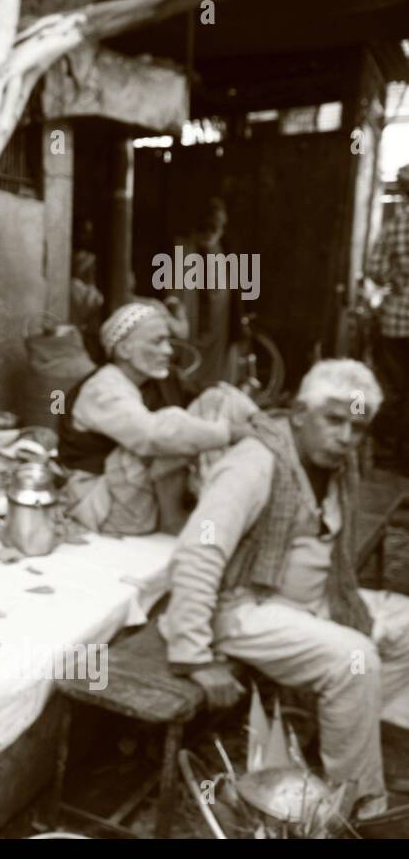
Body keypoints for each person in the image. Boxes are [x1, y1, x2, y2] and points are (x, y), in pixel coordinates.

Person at [161, 359, 409, 818]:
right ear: (298, 413)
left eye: (357, 427)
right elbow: (199, 551)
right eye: (333, 420)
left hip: (307, 605)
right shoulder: (254, 463)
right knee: (354, 661)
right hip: (241, 607)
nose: (345, 438)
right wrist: (194, 655)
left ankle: (339, 739)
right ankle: (358, 807)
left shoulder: (334, 464)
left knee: (405, 629)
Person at [59, 300, 257, 535]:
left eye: (167, 341)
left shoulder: (155, 380)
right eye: (157, 342)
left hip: (132, 493)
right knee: (172, 431)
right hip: (104, 504)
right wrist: (229, 433)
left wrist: (257, 419)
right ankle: (179, 519)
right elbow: (151, 435)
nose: (169, 351)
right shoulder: (102, 389)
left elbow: (209, 394)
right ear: (124, 350)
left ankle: (222, 509)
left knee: (218, 398)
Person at [365, 164, 409, 473]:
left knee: (394, 388)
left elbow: (374, 268)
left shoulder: (396, 226)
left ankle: (386, 452)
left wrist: (395, 277)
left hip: (397, 320)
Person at [173, 197, 233, 391]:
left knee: (213, 365)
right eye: (209, 227)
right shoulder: (183, 249)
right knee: (189, 355)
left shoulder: (221, 251)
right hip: (192, 314)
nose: (213, 233)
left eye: (217, 228)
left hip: (216, 319)